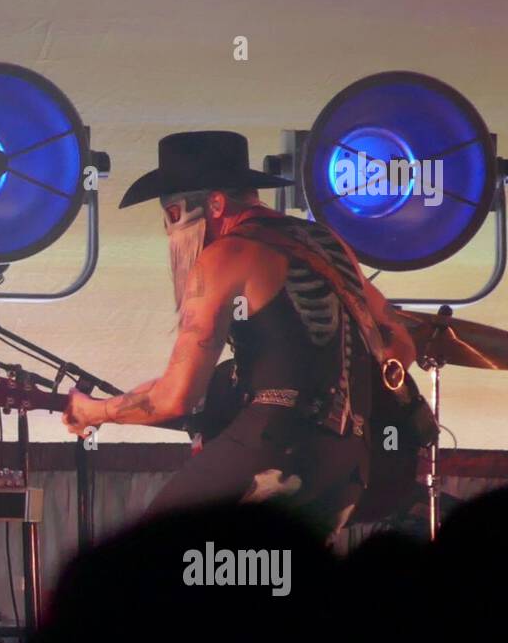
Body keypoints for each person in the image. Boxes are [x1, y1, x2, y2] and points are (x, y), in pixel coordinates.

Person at [63, 131, 419, 535]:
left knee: (151, 561)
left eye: (175, 212)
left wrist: (97, 411)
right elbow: (400, 344)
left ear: (215, 203)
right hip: (350, 465)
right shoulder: (325, 241)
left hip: (275, 449)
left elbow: (177, 397)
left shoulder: (227, 255)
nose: (170, 229)